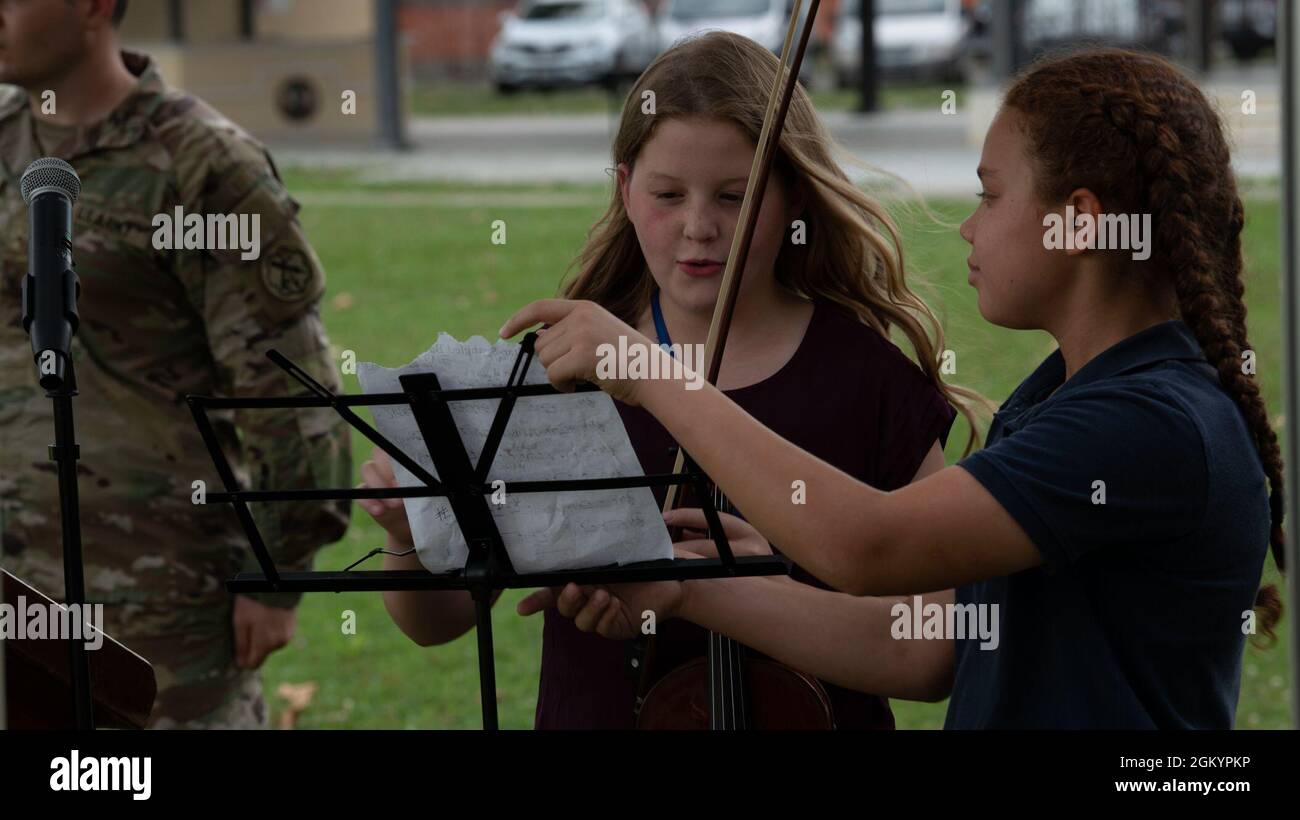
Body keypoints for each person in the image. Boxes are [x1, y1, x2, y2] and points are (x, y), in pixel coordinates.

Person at [503, 47, 1287, 729]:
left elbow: (871, 543)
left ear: (1077, 223)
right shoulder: (1064, 401)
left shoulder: (1145, 424)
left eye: (989, 194)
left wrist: (646, 371)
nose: (970, 227)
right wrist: (696, 591)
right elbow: (928, 643)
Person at [361, 31, 987, 729]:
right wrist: (407, 537)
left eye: (734, 197)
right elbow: (439, 619)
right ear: (626, 191)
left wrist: (784, 580)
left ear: (794, 200)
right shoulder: (565, 368)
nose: (699, 227)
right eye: (667, 194)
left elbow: (937, 647)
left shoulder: (868, 381)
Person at [0, 0, 351, 727]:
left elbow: (289, 386)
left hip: (160, 608)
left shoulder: (202, 164)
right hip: (14, 594)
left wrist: (277, 573)